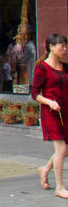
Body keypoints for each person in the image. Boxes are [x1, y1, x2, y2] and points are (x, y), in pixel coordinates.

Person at [33, 34, 68, 197]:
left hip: (65, 110)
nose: (65, 49)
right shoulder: (42, 68)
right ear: (51, 47)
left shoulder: (65, 67)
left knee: (65, 149)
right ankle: (60, 187)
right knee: (61, 148)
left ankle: (45, 168)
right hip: (51, 112)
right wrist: (49, 102)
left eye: (66, 46)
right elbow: (34, 94)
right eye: (62, 46)